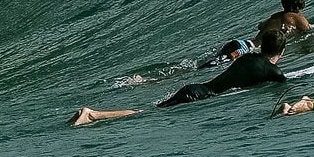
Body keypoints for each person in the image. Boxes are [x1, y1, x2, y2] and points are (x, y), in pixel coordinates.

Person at [73, 31, 287, 125]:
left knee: (149, 111)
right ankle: (93, 115)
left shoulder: (248, 57)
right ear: (282, 51)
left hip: (195, 88)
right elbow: (280, 84)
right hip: (198, 97)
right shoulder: (273, 72)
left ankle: (92, 114)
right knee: (144, 114)